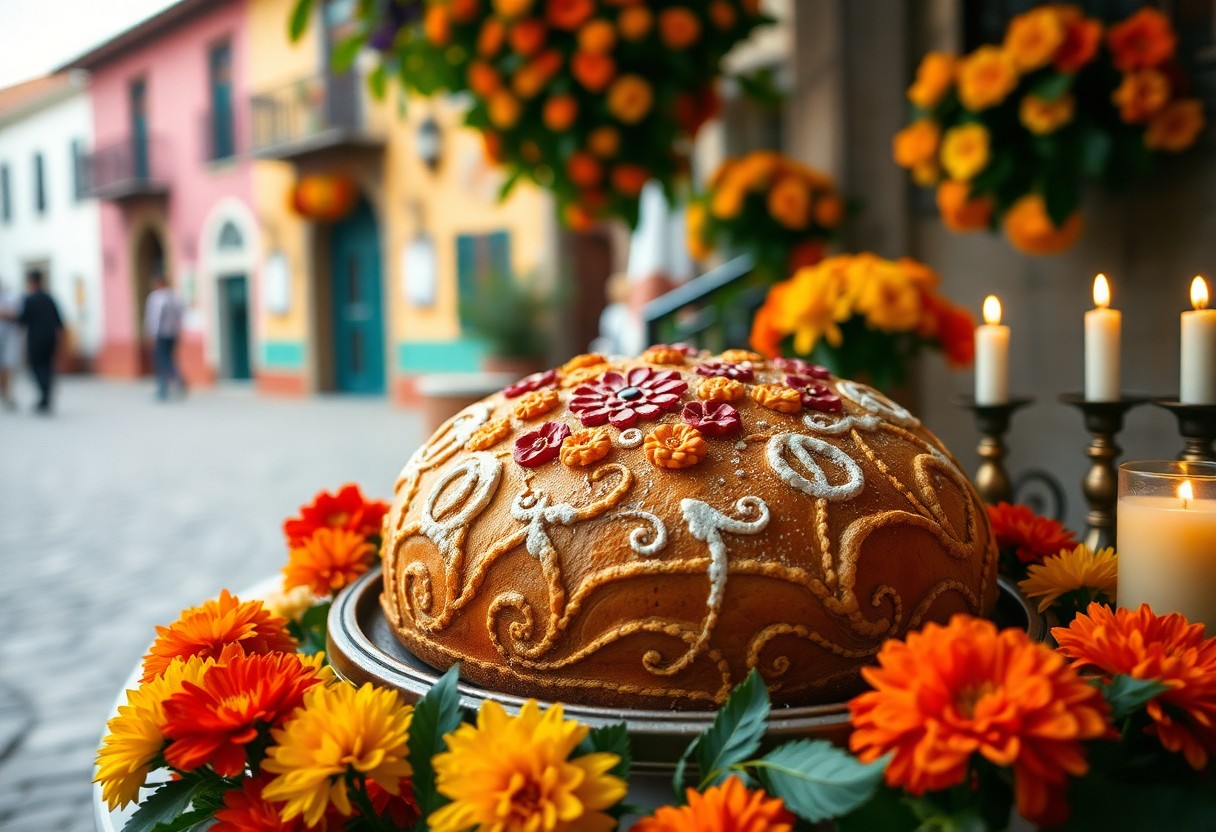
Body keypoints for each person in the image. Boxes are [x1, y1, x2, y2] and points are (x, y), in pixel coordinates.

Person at [0, 270, 64, 414]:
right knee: (47, 367)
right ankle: (46, 397)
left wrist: (6, 315)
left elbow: (22, 319)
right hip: (50, 338)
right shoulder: (49, 298)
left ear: (31, 282)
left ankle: (44, 396)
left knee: (36, 368)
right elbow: (60, 322)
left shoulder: (30, 299)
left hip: (36, 340)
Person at [144, 273, 186, 400]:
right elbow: (181, 314)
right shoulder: (174, 296)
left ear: (158, 284)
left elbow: (156, 317)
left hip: (161, 333)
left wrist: (152, 333)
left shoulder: (157, 297)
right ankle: (172, 382)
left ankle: (166, 386)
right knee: (169, 358)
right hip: (173, 333)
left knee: (161, 360)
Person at [0, 276, 21, 410]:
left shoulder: (10, 297)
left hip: (8, 338)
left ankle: (7, 395)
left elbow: (15, 313)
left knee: (7, 366)